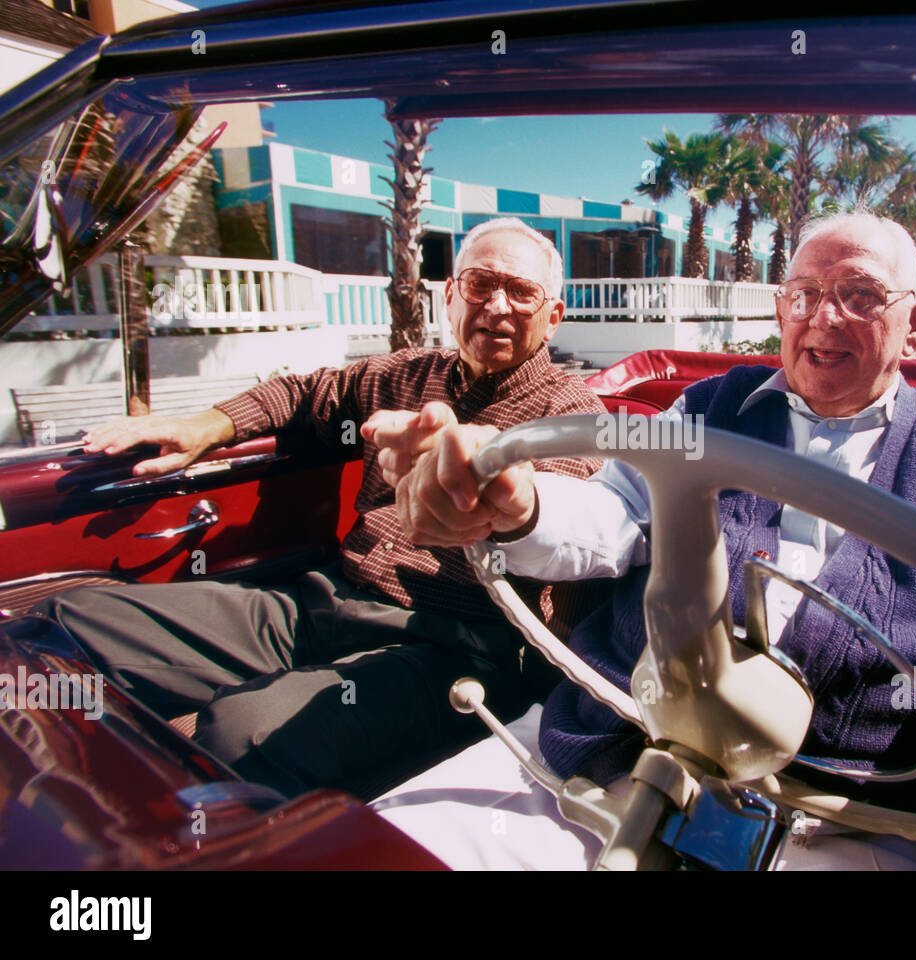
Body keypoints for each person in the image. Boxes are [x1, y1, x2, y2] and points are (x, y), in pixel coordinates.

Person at [368, 211, 916, 870]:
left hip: (851, 814)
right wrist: (514, 507)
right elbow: (609, 520)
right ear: (779, 309)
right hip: (609, 751)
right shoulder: (706, 411)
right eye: (802, 293)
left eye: (860, 296)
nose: (822, 317)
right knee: (376, 853)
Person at [35, 217, 608, 798]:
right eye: (481, 284)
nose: (497, 306)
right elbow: (303, 392)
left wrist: (476, 490)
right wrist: (204, 426)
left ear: (553, 315)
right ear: (450, 295)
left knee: (243, 735)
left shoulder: (576, 419)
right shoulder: (403, 373)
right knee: (74, 625)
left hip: (454, 641)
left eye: (522, 292)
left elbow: (552, 520)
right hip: (329, 597)